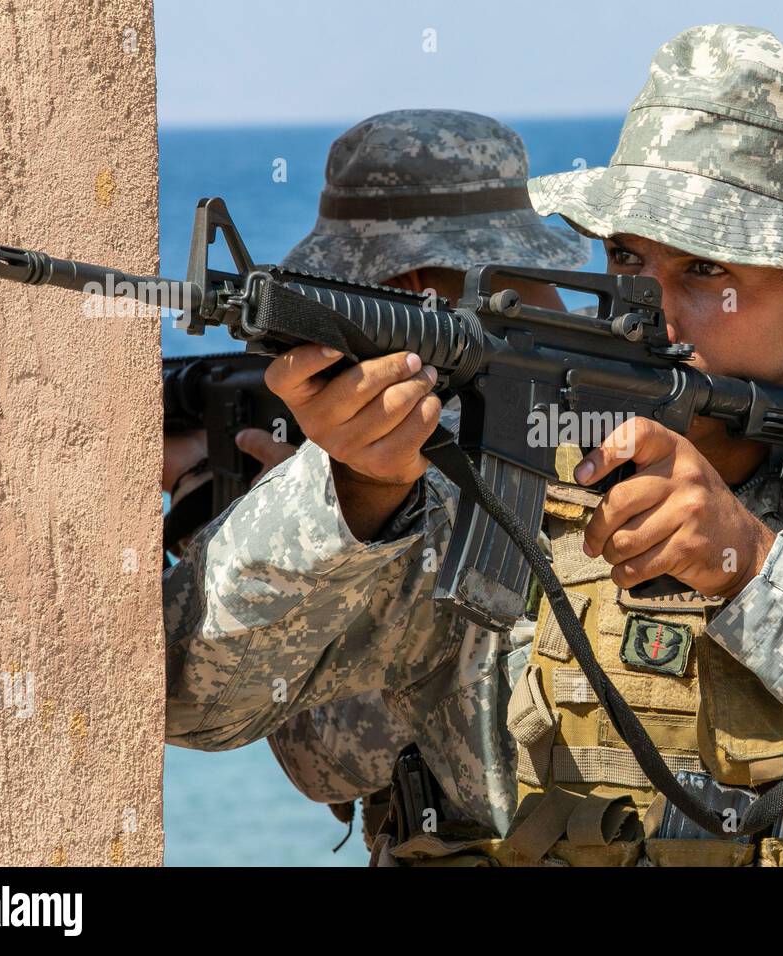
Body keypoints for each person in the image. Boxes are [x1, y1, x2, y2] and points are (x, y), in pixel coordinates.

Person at [164, 26, 783, 867]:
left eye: (706, 271)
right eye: (629, 259)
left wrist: (755, 571)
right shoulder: (487, 467)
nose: (656, 307)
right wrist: (343, 499)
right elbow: (200, 705)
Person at [161, 109, 589, 821]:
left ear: (408, 287)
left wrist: (316, 495)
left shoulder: (454, 481)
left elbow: (324, 756)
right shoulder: (607, 401)